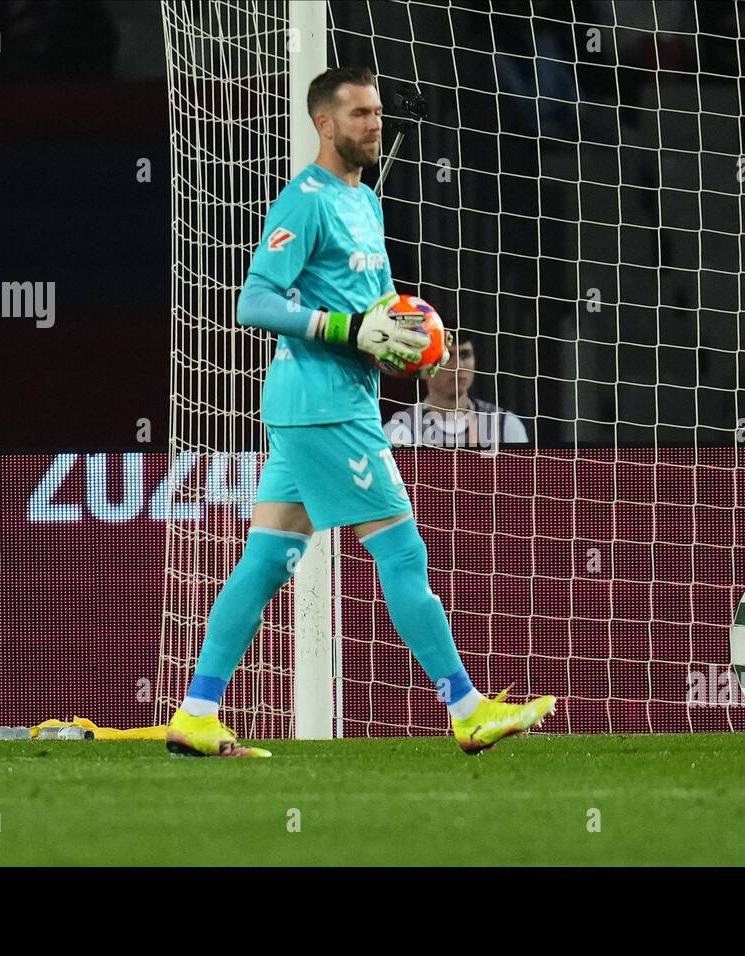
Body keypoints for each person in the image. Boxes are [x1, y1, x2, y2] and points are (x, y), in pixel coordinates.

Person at [164, 66, 555, 758]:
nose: (375, 124)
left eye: (378, 112)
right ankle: (465, 708)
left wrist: (401, 341)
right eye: (360, 114)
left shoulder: (364, 201)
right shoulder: (303, 202)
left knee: (266, 560)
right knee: (402, 549)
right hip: (325, 408)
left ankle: (196, 711)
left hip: (321, 403)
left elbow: (378, 311)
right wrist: (348, 332)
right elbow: (253, 303)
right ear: (324, 123)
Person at [383, 330, 530, 449]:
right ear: (424, 368)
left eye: (465, 354)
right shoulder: (400, 430)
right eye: (447, 356)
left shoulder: (505, 425)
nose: (458, 364)